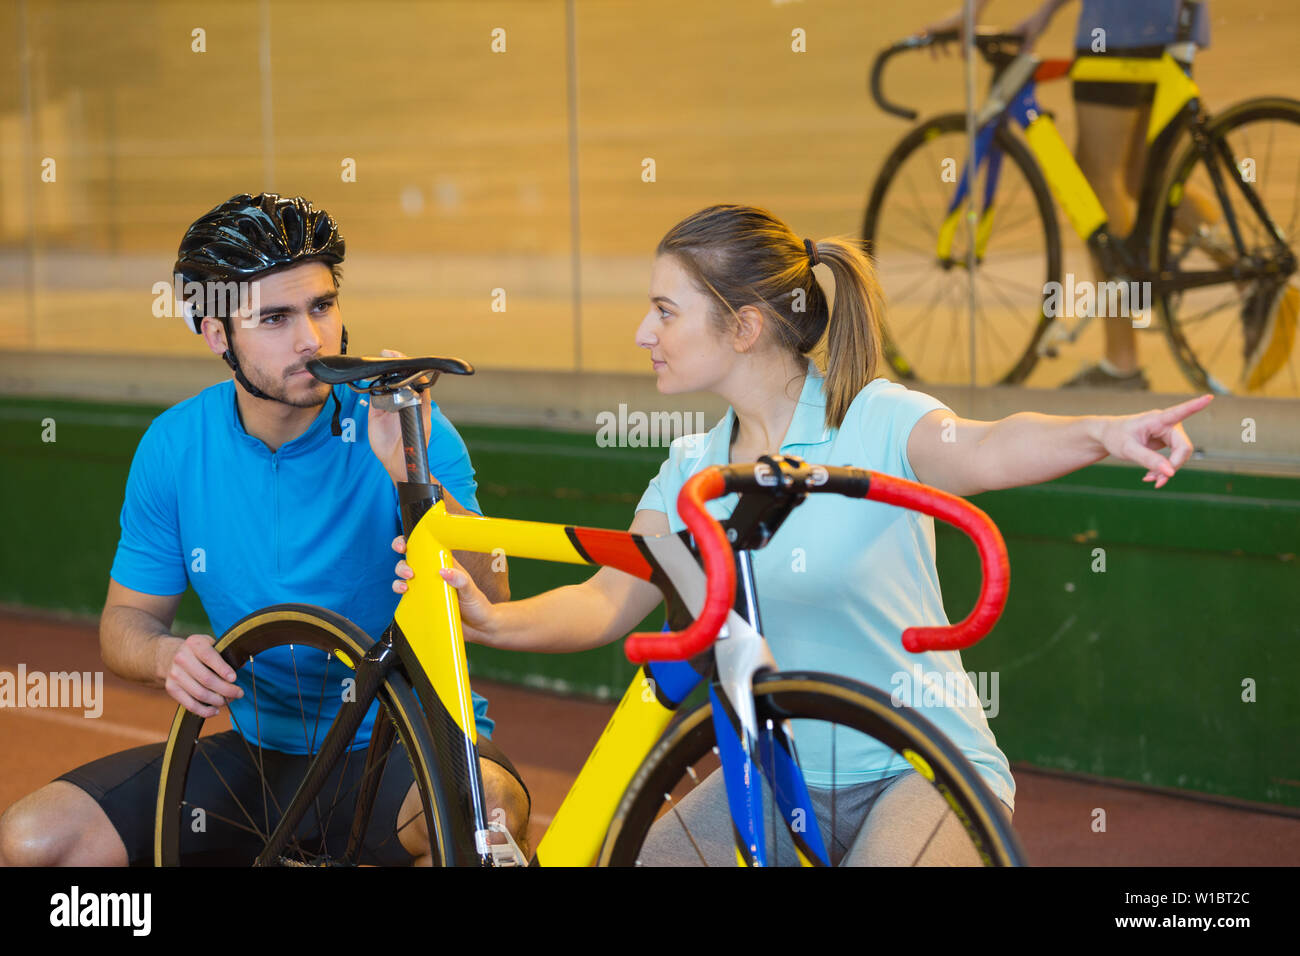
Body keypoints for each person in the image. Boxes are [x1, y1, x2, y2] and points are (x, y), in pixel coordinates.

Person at [392, 204, 1209, 864]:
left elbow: (992, 447)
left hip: (917, 768)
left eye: (665, 311)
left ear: (744, 328)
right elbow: (608, 600)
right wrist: (493, 619)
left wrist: (1104, 431)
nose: (644, 333)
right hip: (777, 778)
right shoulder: (690, 471)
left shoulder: (875, 420)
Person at [0, 193, 529, 867]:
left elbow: (496, 599)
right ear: (216, 334)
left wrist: (411, 475)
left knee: (486, 821)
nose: (312, 338)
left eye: (321, 305)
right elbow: (123, 625)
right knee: (36, 842)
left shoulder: (404, 422)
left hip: (399, 749)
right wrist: (166, 658)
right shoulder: (173, 446)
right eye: (274, 317)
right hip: (254, 757)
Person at [923, 0, 1296, 391]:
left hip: (1120, 21)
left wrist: (972, 10)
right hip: (1173, 17)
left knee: (1099, 177)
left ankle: (1122, 364)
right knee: (1139, 177)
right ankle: (1254, 281)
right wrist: (1045, 15)